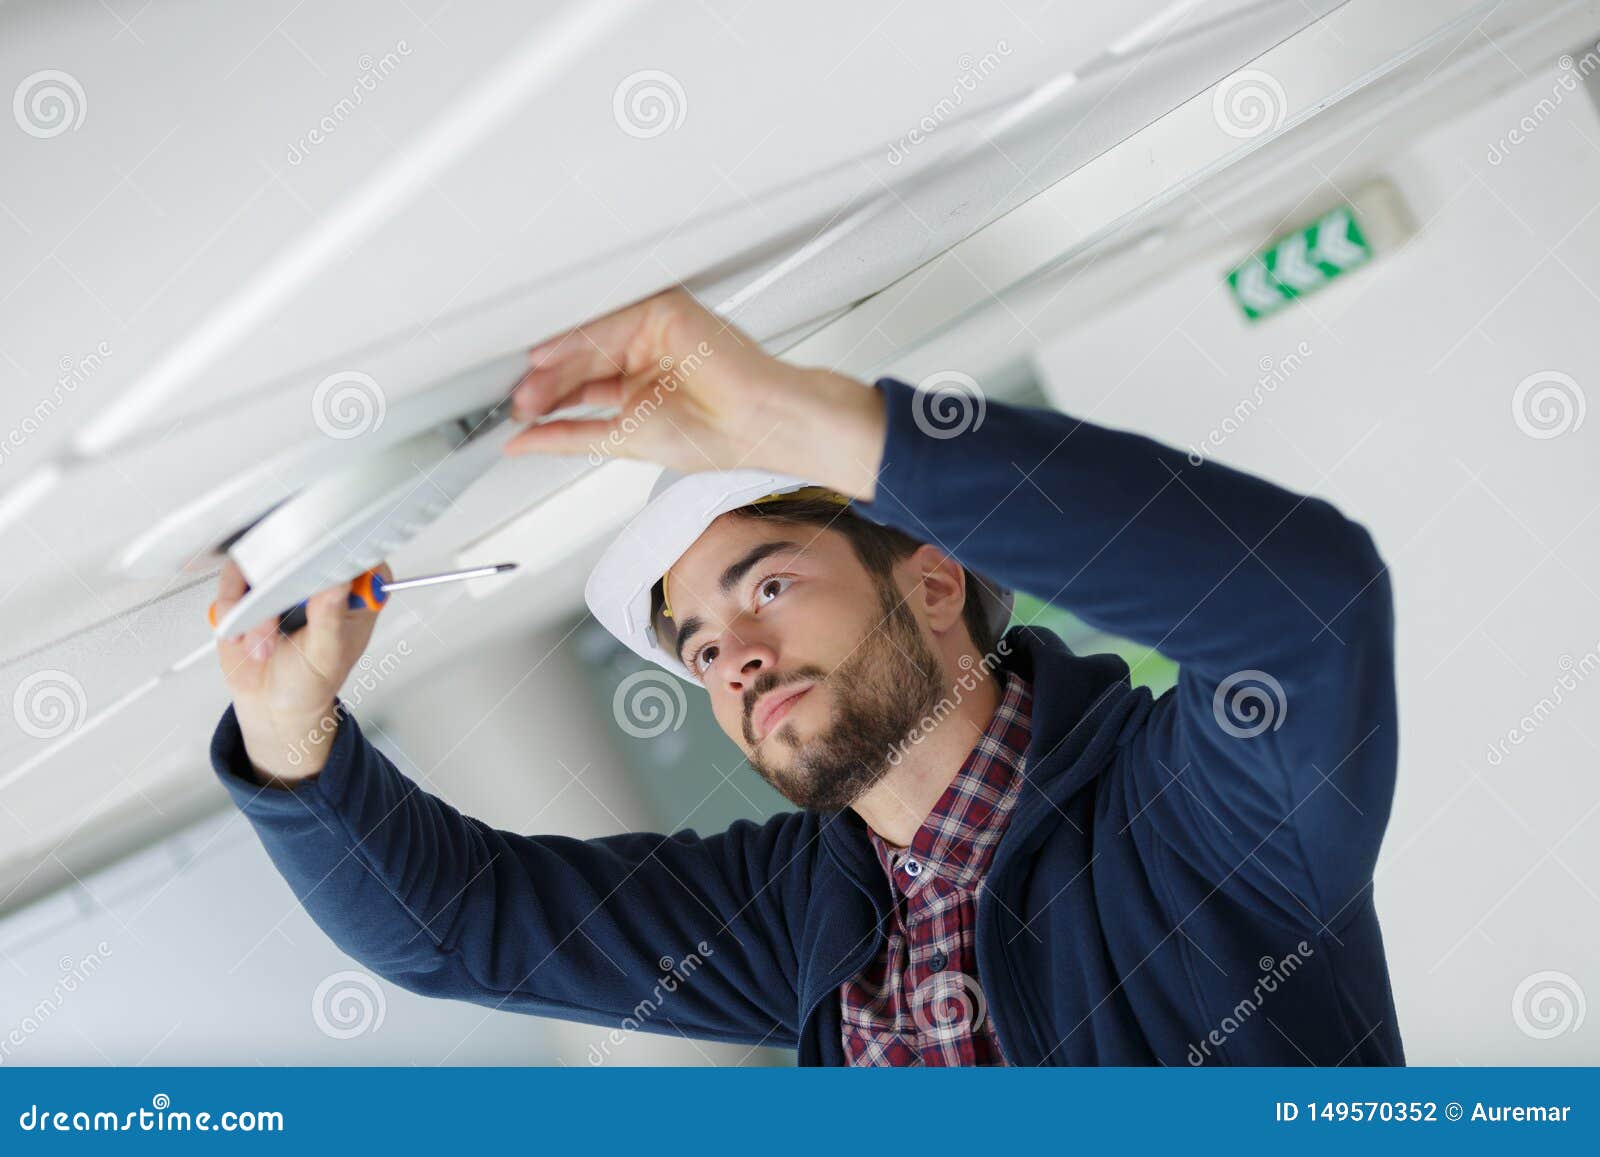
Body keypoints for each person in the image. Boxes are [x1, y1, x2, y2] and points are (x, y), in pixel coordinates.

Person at [210, 288, 1402, 1066]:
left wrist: (802, 422)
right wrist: (288, 728)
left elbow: (1302, 605)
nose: (725, 653)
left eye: (766, 584)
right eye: (696, 643)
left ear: (935, 583)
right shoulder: (800, 914)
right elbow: (461, 926)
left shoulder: (1191, 827)